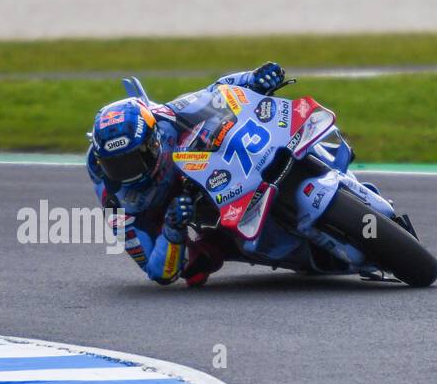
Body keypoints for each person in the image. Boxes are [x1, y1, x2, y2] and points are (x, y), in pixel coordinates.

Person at [86, 61, 287, 286]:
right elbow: (156, 271)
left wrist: (252, 80)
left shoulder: (165, 118)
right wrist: (172, 229)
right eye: (116, 166)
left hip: (202, 165)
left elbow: (216, 92)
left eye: (133, 161)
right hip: (172, 203)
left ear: (153, 142)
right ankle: (220, 244)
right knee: (194, 268)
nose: (127, 173)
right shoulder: (117, 202)